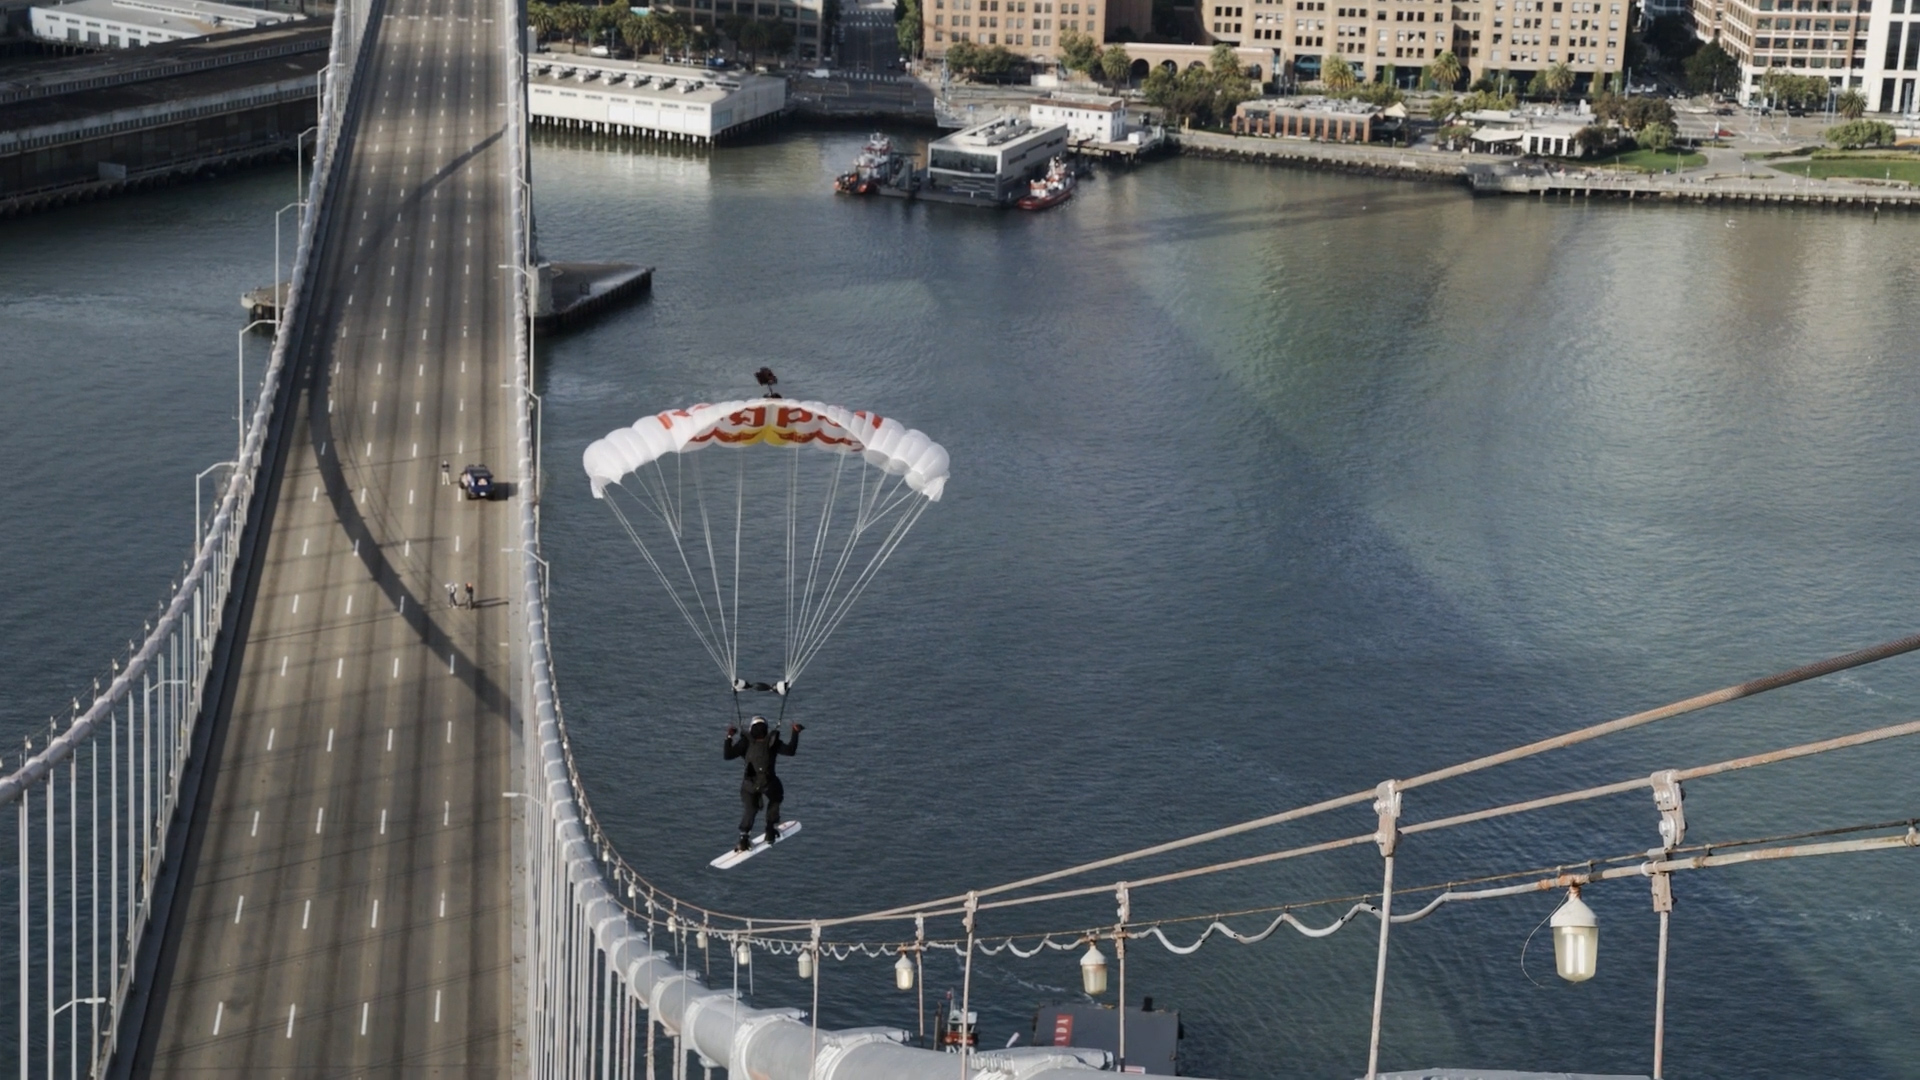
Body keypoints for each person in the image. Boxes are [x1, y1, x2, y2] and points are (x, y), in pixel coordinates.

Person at [723, 715, 802, 851]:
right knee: (776, 798)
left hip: (749, 784)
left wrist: (729, 736)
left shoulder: (745, 742)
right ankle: (770, 831)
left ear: (751, 729)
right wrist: (795, 732)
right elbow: (790, 751)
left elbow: (728, 755)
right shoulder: (772, 742)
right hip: (768, 783)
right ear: (766, 729)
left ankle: (743, 839)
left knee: (750, 809)